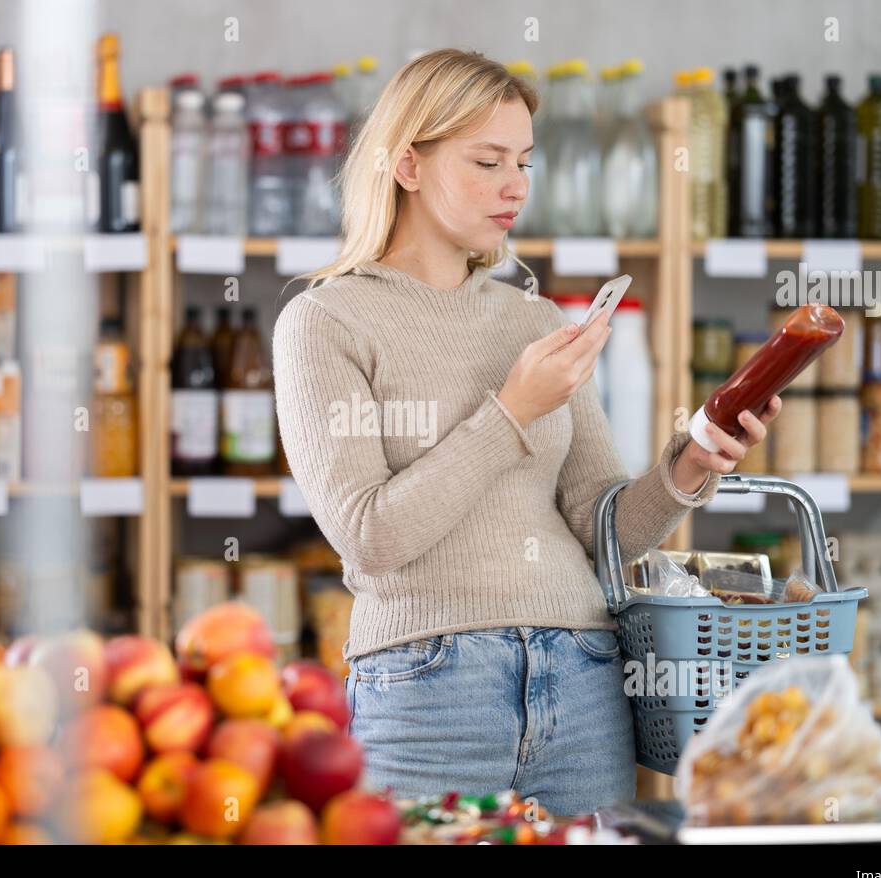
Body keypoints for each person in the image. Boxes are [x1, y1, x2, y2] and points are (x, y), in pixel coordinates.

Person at [272, 48, 777, 815]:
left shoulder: (535, 320)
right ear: (407, 164)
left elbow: (602, 525)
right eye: (487, 161)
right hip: (429, 689)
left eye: (525, 162)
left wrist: (690, 464)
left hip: (583, 677)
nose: (516, 186)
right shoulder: (325, 322)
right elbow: (370, 536)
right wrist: (510, 413)